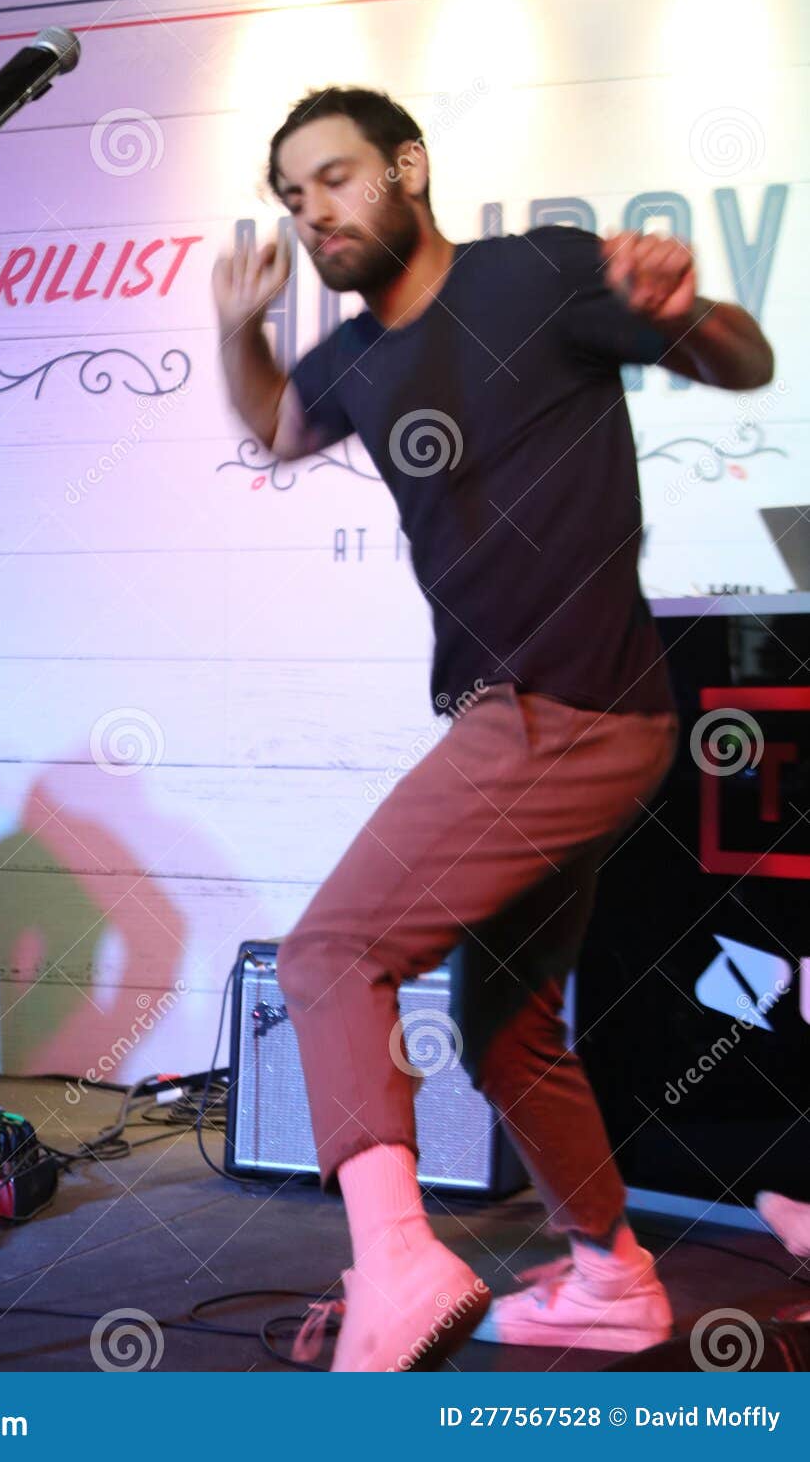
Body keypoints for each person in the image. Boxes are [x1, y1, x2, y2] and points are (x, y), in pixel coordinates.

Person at [212, 86, 774, 1373]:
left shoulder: (537, 273)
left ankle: (398, 1264)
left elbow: (742, 362)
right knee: (505, 1029)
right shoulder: (357, 357)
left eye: (335, 177)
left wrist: (685, 309)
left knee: (331, 951)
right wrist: (238, 328)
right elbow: (275, 427)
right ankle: (612, 1278)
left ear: (407, 167)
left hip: (562, 711)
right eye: (292, 197)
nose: (313, 213)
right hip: (533, 722)